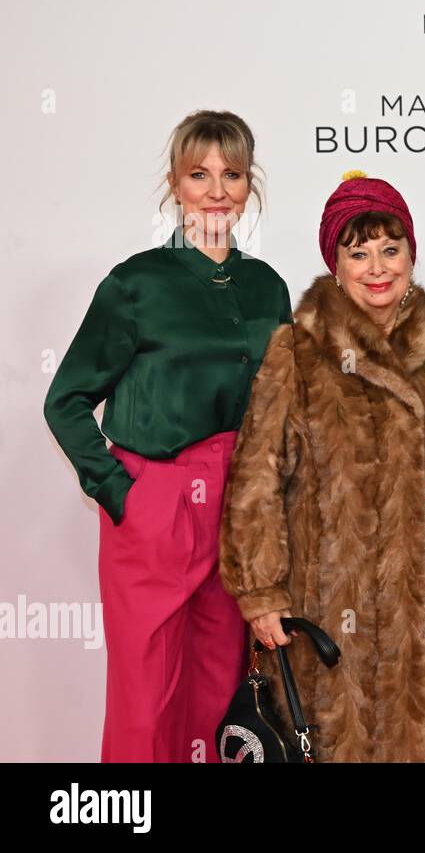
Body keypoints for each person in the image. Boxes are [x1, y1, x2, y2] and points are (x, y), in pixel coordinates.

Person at [44, 110, 291, 762]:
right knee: (145, 699)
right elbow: (65, 400)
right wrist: (120, 493)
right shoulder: (136, 283)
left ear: (249, 185)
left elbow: (282, 407)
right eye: (199, 173)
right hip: (156, 497)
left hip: (238, 507)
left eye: (231, 174)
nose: (216, 189)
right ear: (175, 184)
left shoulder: (268, 288)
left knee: (220, 690)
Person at [220, 173, 425, 762]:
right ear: (334, 265)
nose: (376, 267)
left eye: (391, 249)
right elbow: (255, 477)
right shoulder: (297, 350)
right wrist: (261, 592)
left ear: (412, 255)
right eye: (357, 253)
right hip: (332, 606)